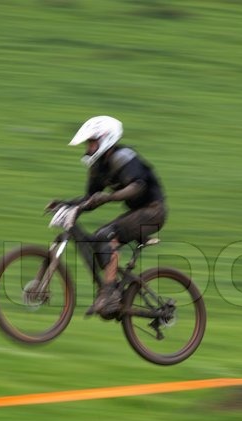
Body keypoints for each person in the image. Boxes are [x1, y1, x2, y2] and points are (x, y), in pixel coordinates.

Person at [60, 115, 167, 317]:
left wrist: (109, 198)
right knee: (97, 238)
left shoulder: (123, 157)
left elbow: (137, 187)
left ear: (105, 140)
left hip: (154, 211)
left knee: (107, 235)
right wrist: (65, 204)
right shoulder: (99, 167)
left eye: (92, 142)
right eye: (88, 143)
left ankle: (109, 295)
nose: (88, 148)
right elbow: (90, 200)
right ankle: (113, 288)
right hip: (137, 213)